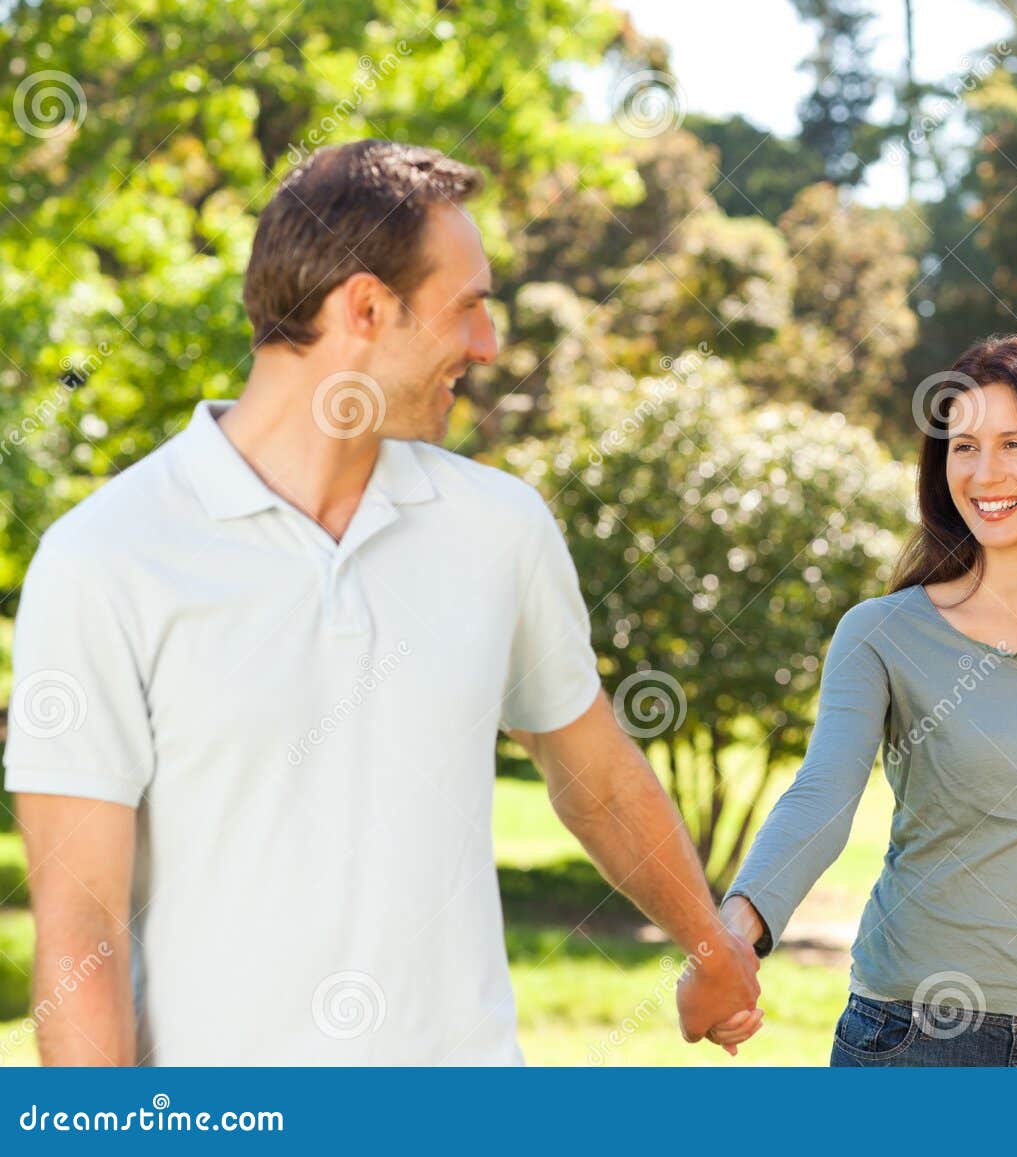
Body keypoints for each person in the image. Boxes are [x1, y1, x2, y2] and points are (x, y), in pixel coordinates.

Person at [2, 140, 760, 1065]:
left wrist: (711, 944)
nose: (486, 344)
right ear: (364, 307)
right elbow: (84, 928)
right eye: (469, 307)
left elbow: (593, 776)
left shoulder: (497, 528)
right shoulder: (107, 557)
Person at [713, 335, 1017, 1066]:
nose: (985, 472)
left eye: (1016, 442)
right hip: (916, 1042)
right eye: (963, 445)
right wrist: (735, 931)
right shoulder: (881, 633)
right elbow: (822, 797)